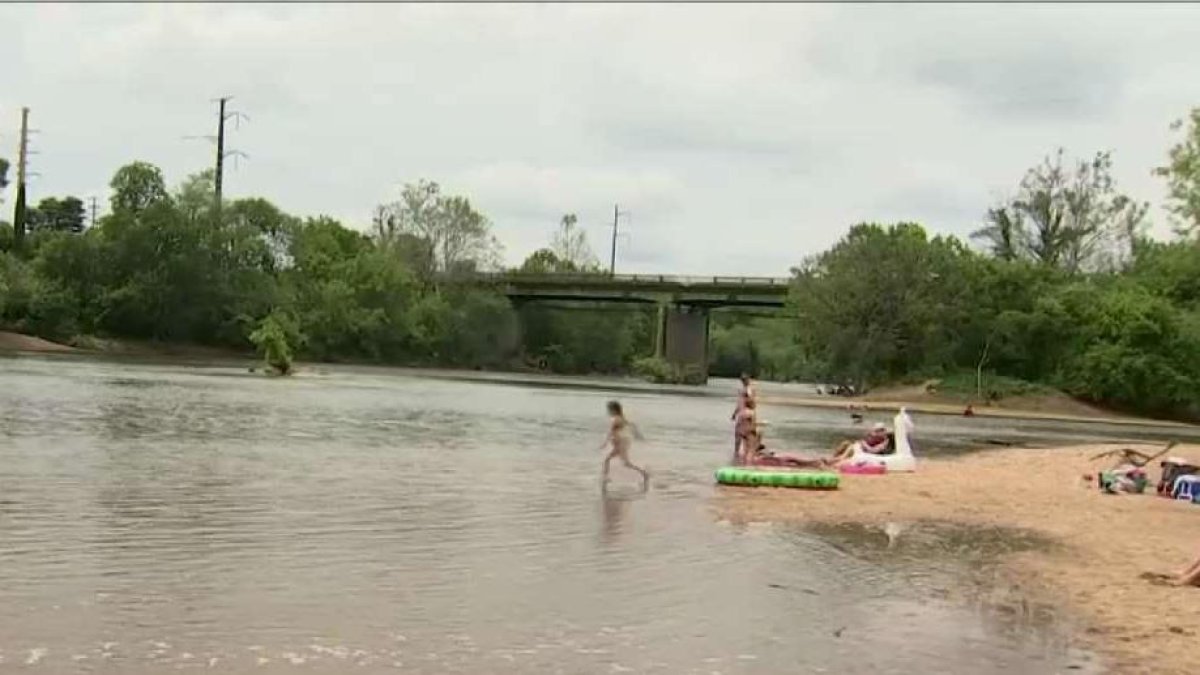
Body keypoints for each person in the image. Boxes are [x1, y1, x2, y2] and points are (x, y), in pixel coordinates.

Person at [601, 400, 649, 488]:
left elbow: (611, 432)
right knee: (608, 460)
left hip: (621, 444)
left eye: (609, 410)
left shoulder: (617, 420)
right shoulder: (622, 418)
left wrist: (605, 443)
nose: (608, 412)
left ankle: (644, 474)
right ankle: (605, 478)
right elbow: (632, 426)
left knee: (625, 463)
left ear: (614, 410)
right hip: (622, 443)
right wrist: (638, 435)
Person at [731, 373, 756, 455]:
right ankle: (742, 455)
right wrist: (734, 414)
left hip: (744, 415)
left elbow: (749, 402)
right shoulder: (747, 390)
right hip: (747, 414)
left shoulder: (746, 390)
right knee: (746, 436)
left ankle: (737, 454)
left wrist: (734, 414)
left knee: (740, 436)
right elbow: (751, 403)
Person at [734, 398, 758, 464]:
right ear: (752, 404)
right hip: (749, 431)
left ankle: (739, 461)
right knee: (750, 448)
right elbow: (753, 423)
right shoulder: (752, 412)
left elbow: (739, 422)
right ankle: (748, 463)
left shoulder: (742, 412)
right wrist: (755, 431)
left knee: (741, 448)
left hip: (740, 430)